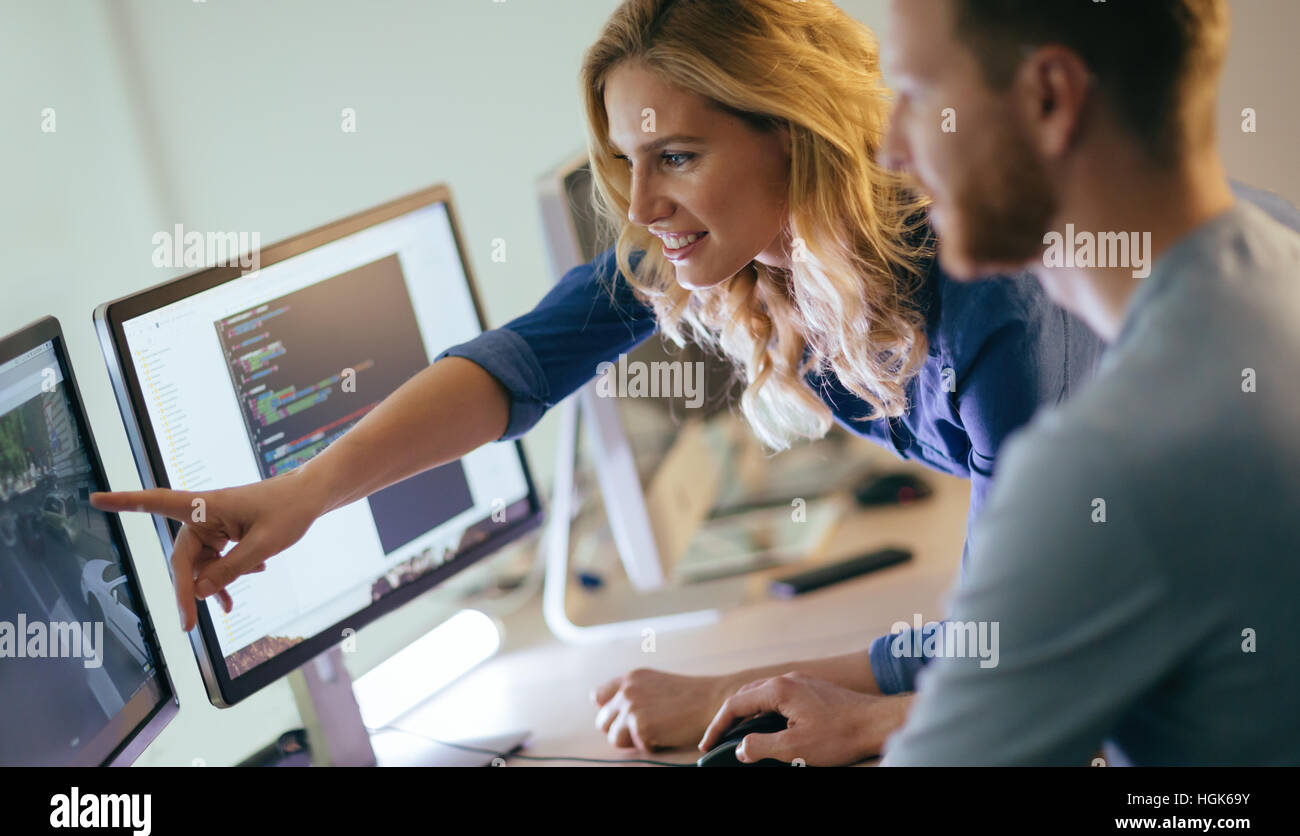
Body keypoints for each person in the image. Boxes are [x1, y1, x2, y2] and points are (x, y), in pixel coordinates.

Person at [89, 0, 1292, 758]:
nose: (644, 204)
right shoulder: (744, 254)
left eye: (676, 155)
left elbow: (998, 642)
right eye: (625, 160)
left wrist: (753, 690)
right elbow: (522, 362)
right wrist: (307, 488)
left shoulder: (997, 297)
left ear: (791, 130)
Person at [699, 0, 1300, 766]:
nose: (890, 149)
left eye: (919, 95)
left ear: (1049, 98)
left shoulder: (1108, 465)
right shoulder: (1278, 260)